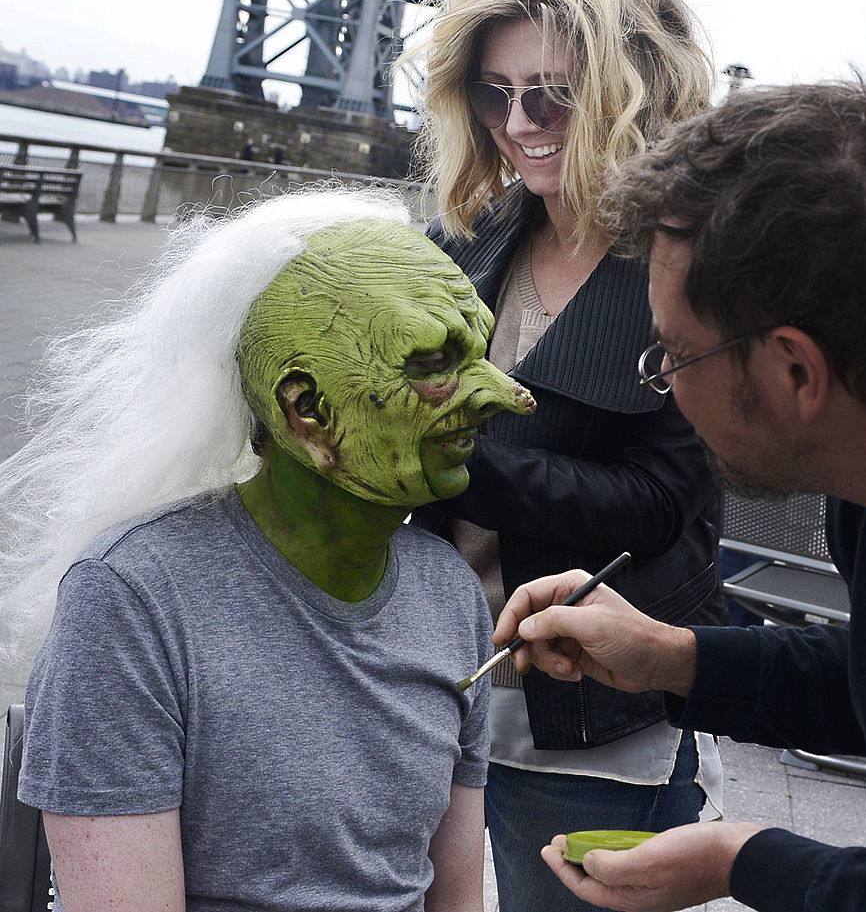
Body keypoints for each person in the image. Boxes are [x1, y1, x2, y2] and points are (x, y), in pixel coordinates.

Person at [495, 82, 866, 911]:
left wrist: (746, 860)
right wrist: (671, 656)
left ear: (797, 370)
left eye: (675, 356)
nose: (661, 384)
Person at [0, 189, 538, 911]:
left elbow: (453, 898)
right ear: (305, 409)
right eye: (434, 361)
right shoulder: (131, 600)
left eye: (481, 349)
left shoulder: (448, 593)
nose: (503, 394)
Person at [402, 0, 731, 910]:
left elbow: (660, 502)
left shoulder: (699, 267)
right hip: (428, 691)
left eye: (548, 91)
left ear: (632, 85)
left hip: (593, 721)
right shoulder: (460, 242)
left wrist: (455, 445)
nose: (517, 121)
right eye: (493, 93)